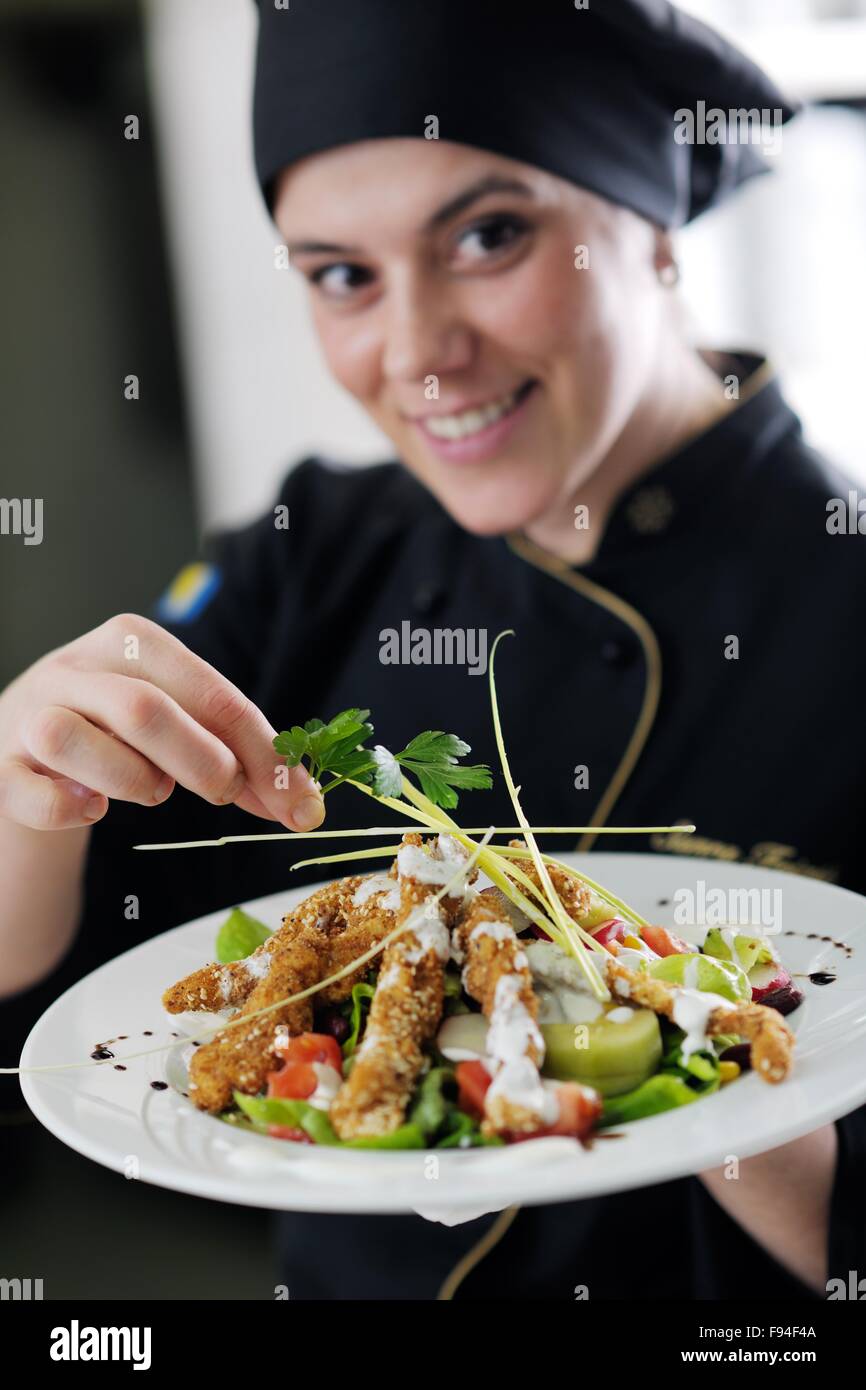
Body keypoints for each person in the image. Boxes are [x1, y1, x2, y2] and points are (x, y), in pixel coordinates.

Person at [2, 0, 864, 1300]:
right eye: (340, 272)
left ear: (654, 227)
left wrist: (690, 1054)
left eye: (487, 234)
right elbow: (54, 984)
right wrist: (27, 786)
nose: (413, 352)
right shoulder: (312, 550)